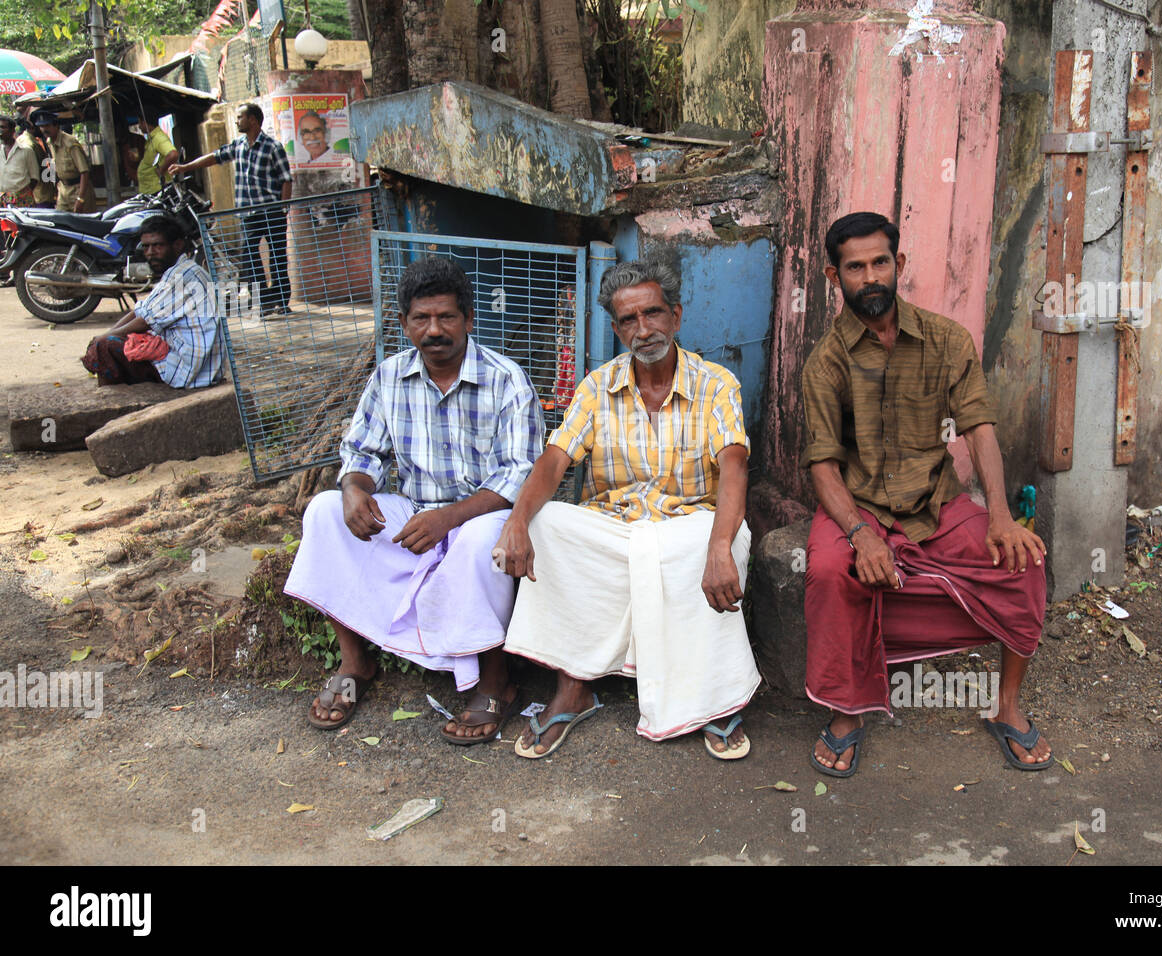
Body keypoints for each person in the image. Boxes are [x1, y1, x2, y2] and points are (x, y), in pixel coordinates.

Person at [800, 211, 1050, 777]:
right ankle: (847, 711)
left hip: (934, 501)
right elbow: (822, 466)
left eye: (880, 263)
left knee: (1022, 565)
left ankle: (1006, 705)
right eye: (855, 267)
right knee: (829, 573)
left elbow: (979, 425)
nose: (871, 277)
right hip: (856, 505)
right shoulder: (826, 363)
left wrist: (1002, 516)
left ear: (899, 265)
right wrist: (860, 534)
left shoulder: (947, 340)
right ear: (832, 276)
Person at [495, 260, 760, 760]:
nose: (644, 330)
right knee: (547, 522)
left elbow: (734, 466)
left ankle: (713, 696)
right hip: (613, 529)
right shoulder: (598, 386)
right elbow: (554, 462)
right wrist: (516, 521)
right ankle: (574, 685)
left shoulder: (716, 383)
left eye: (653, 314)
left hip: (688, 528)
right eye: (629, 321)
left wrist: (720, 544)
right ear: (617, 329)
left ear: (676, 317)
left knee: (717, 542)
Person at [283, 257, 545, 740]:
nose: (434, 330)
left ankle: (495, 681)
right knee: (325, 512)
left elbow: (518, 474)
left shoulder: (507, 380)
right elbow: (363, 451)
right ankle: (355, 663)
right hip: (418, 512)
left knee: (482, 539)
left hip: (480, 514)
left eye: (446, 317)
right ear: (404, 323)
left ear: (469, 319)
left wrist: (450, 518)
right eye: (421, 319)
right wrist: (355, 490)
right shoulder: (388, 377)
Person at [173, 102, 293, 315]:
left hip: (271, 212)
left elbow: (286, 179)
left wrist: (283, 207)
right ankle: (264, 302)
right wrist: (185, 167)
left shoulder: (273, 147)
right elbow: (214, 157)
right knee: (249, 256)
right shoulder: (238, 145)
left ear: (253, 120)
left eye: (240, 117)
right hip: (247, 213)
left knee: (277, 257)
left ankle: (282, 301)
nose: (237, 121)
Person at [80, 215, 224, 389]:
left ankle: (112, 401)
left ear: (177, 245)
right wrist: (108, 333)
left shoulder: (182, 276)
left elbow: (143, 321)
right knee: (106, 342)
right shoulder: (182, 270)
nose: (150, 252)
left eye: (157, 246)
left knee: (105, 347)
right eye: (146, 247)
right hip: (192, 363)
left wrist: (103, 339)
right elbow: (141, 310)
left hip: (187, 370)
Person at [31, 111, 94, 213]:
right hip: (63, 190)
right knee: (61, 222)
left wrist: (80, 199)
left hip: (78, 189)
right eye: (41, 126)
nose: (44, 129)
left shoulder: (70, 143)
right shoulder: (49, 142)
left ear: (56, 125)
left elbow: (84, 172)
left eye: (47, 125)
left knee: (82, 224)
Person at [132, 113, 178, 196]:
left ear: (145, 122)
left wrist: (161, 170)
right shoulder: (151, 139)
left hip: (158, 190)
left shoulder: (158, 138)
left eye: (140, 123)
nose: (139, 126)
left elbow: (173, 154)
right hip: (150, 191)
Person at [16, 112, 56, 207]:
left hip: (42, 193)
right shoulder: (29, 144)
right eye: (41, 126)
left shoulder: (26, 140)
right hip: (39, 196)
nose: (43, 129)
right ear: (33, 127)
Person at [0, 115, 40, 208]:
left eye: (2, 127)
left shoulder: (26, 151)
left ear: (12, 130)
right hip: (2, 201)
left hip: (22, 200)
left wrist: (22, 195)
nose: (0, 130)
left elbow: (34, 178)